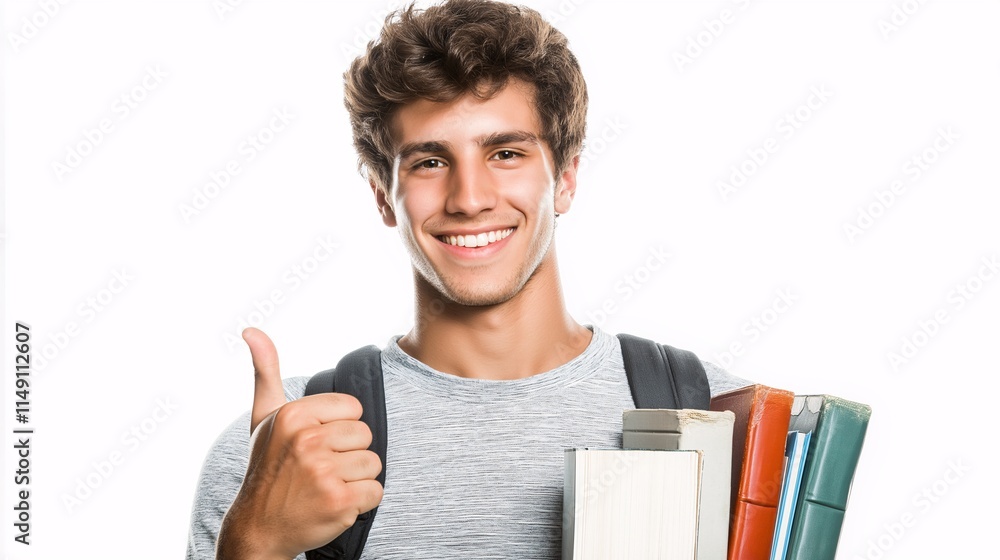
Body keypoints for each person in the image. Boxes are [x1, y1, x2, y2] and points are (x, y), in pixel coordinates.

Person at [186, 1, 749, 558]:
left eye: (505, 153)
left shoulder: (720, 415)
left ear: (567, 178)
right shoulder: (281, 446)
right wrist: (254, 543)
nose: (470, 199)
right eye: (429, 162)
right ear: (385, 197)